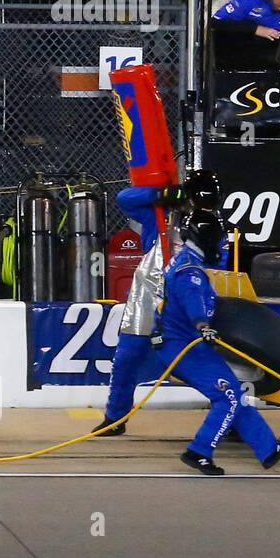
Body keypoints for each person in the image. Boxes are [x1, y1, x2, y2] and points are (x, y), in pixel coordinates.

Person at [157, 210, 280, 476]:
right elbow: (191, 299)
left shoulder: (188, 260)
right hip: (184, 347)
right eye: (219, 240)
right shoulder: (189, 272)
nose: (221, 246)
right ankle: (199, 452)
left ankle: (267, 448)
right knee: (228, 398)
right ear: (207, 239)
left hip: (192, 345)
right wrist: (203, 326)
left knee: (235, 394)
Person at [93, 171, 222, 437]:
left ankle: (229, 414)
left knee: (206, 361)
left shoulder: (215, 227)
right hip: (148, 296)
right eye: (196, 201)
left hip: (187, 299)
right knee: (127, 357)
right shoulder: (161, 215)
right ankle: (115, 417)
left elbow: (218, 266)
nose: (199, 208)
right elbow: (124, 198)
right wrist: (159, 194)